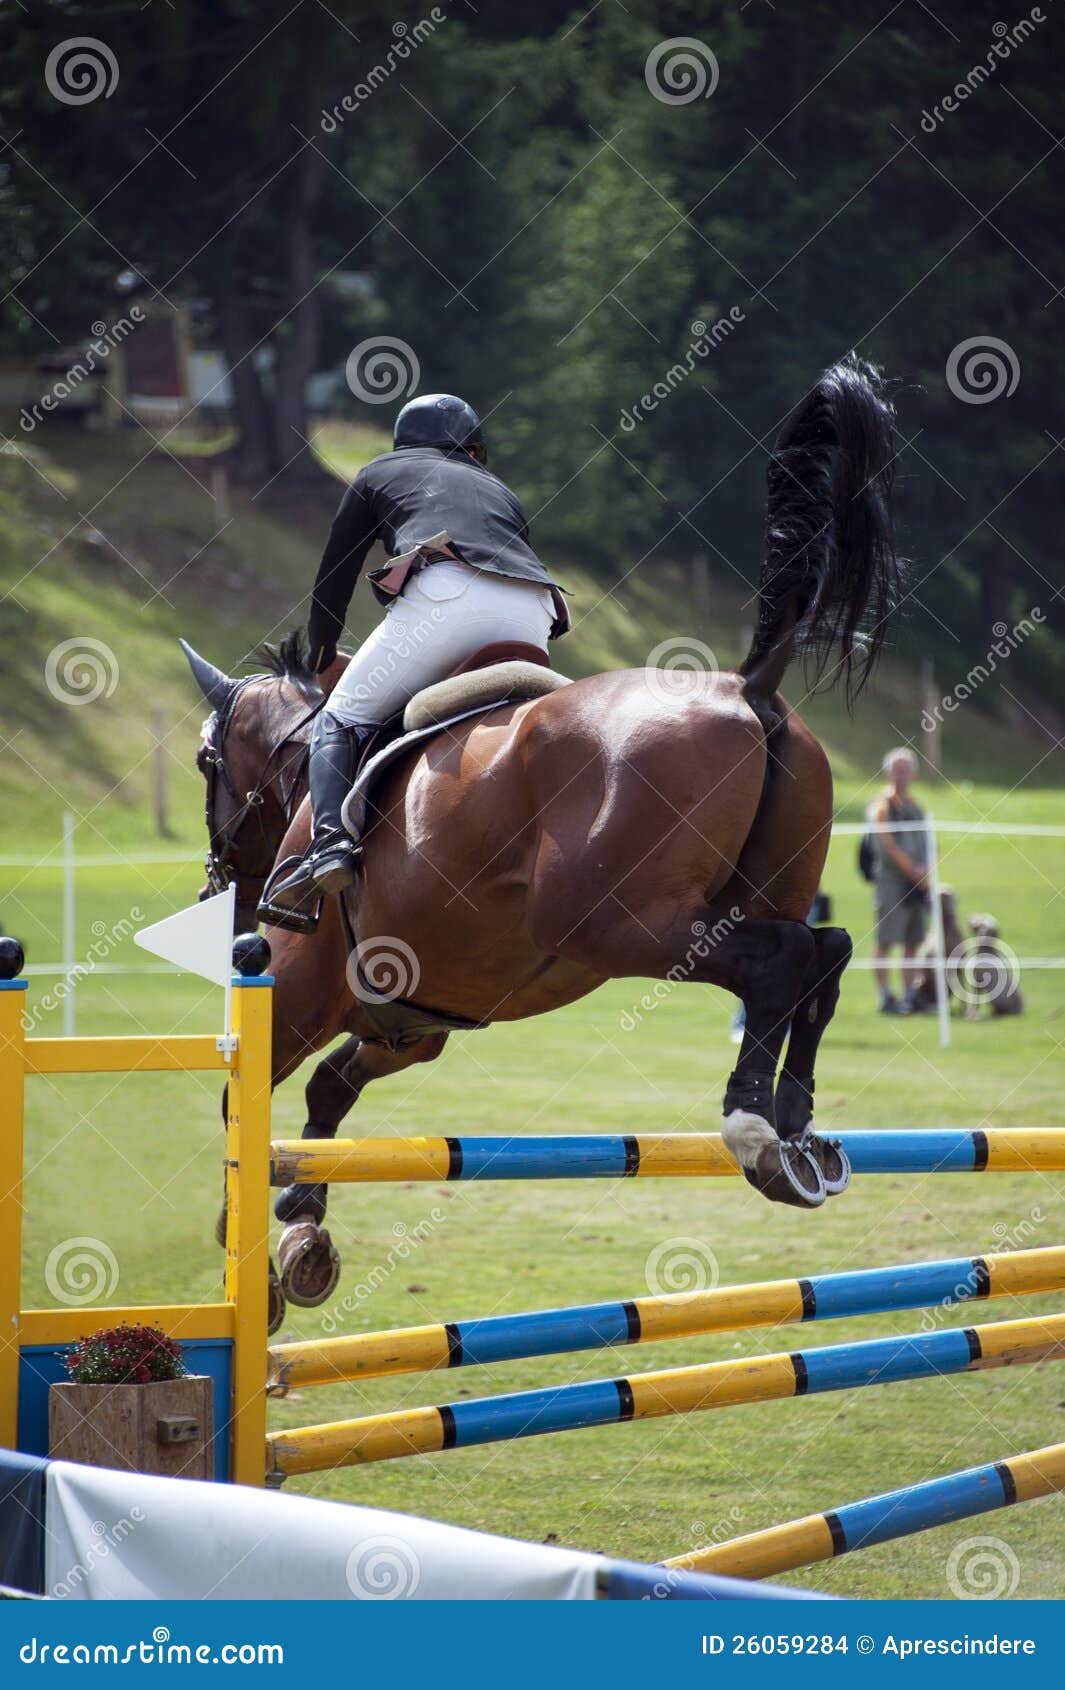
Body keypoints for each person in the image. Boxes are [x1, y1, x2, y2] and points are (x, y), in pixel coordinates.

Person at [269, 393, 569, 917]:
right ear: (473, 450)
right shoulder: (499, 488)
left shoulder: (380, 471)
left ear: (406, 443)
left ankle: (330, 844)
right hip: (537, 609)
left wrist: (321, 655)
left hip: (447, 600)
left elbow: (333, 581)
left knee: (342, 718)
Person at [870, 747, 930, 1014]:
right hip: (892, 883)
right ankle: (886, 996)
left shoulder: (916, 807)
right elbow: (888, 846)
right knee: (886, 941)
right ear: (888, 773)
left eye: (906, 770)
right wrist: (912, 870)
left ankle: (909, 994)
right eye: (897, 770)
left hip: (918, 884)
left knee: (912, 942)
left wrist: (927, 870)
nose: (902, 775)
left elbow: (931, 843)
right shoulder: (882, 807)